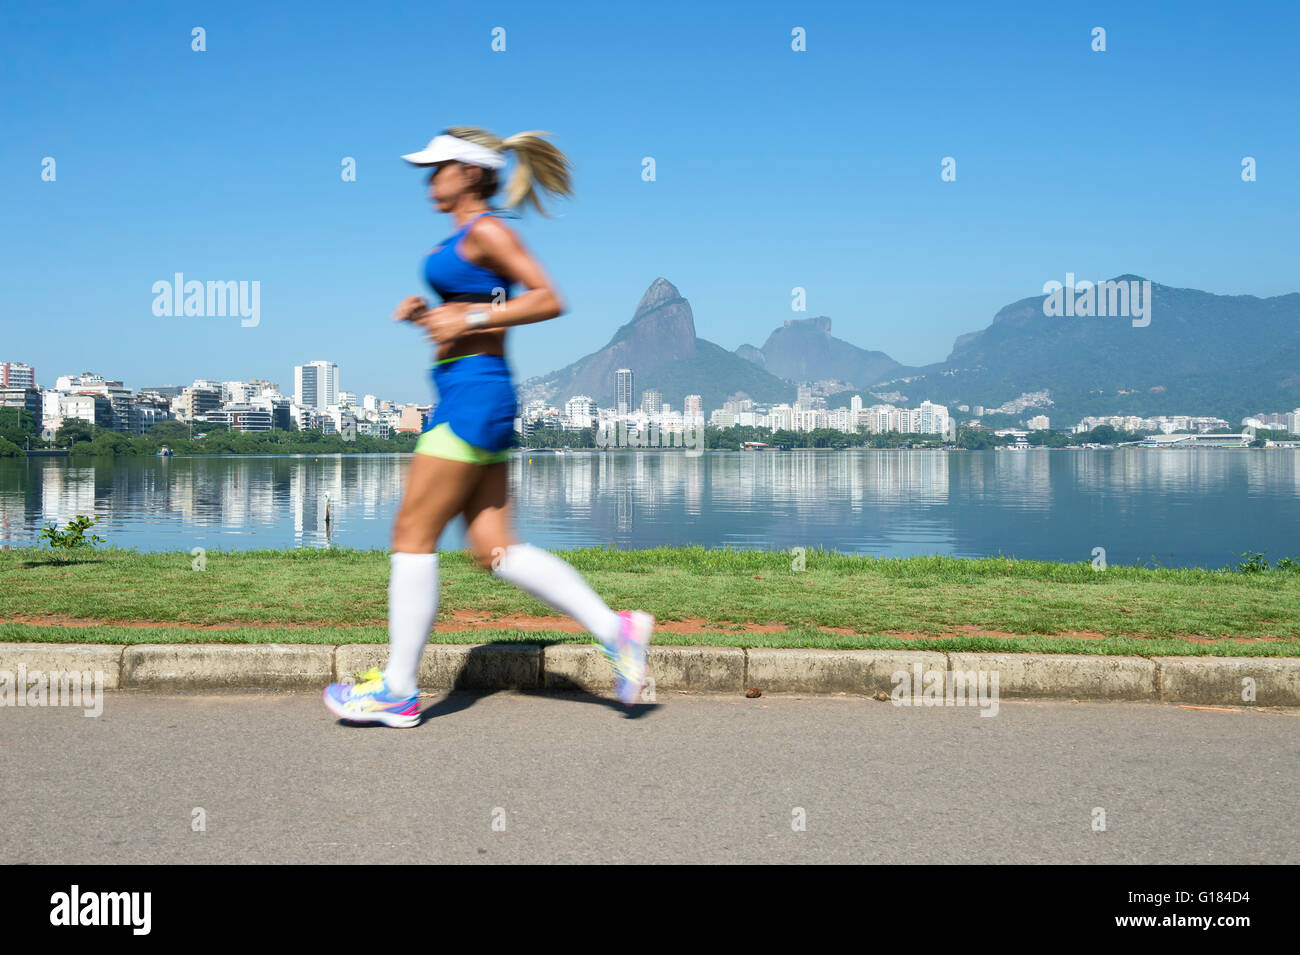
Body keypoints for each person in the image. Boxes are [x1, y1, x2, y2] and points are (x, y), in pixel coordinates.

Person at [323, 127, 653, 727]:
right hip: (472, 392)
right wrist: (433, 314)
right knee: (496, 550)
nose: (429, 180)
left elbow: (548, 299)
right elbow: (478, 313)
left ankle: (398, 689)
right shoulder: (465, 238)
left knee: (411, 533)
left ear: (469, 172)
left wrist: (468, 315)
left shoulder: (488, 231)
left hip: (473, 399)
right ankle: (617, 629)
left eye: (438, 168)